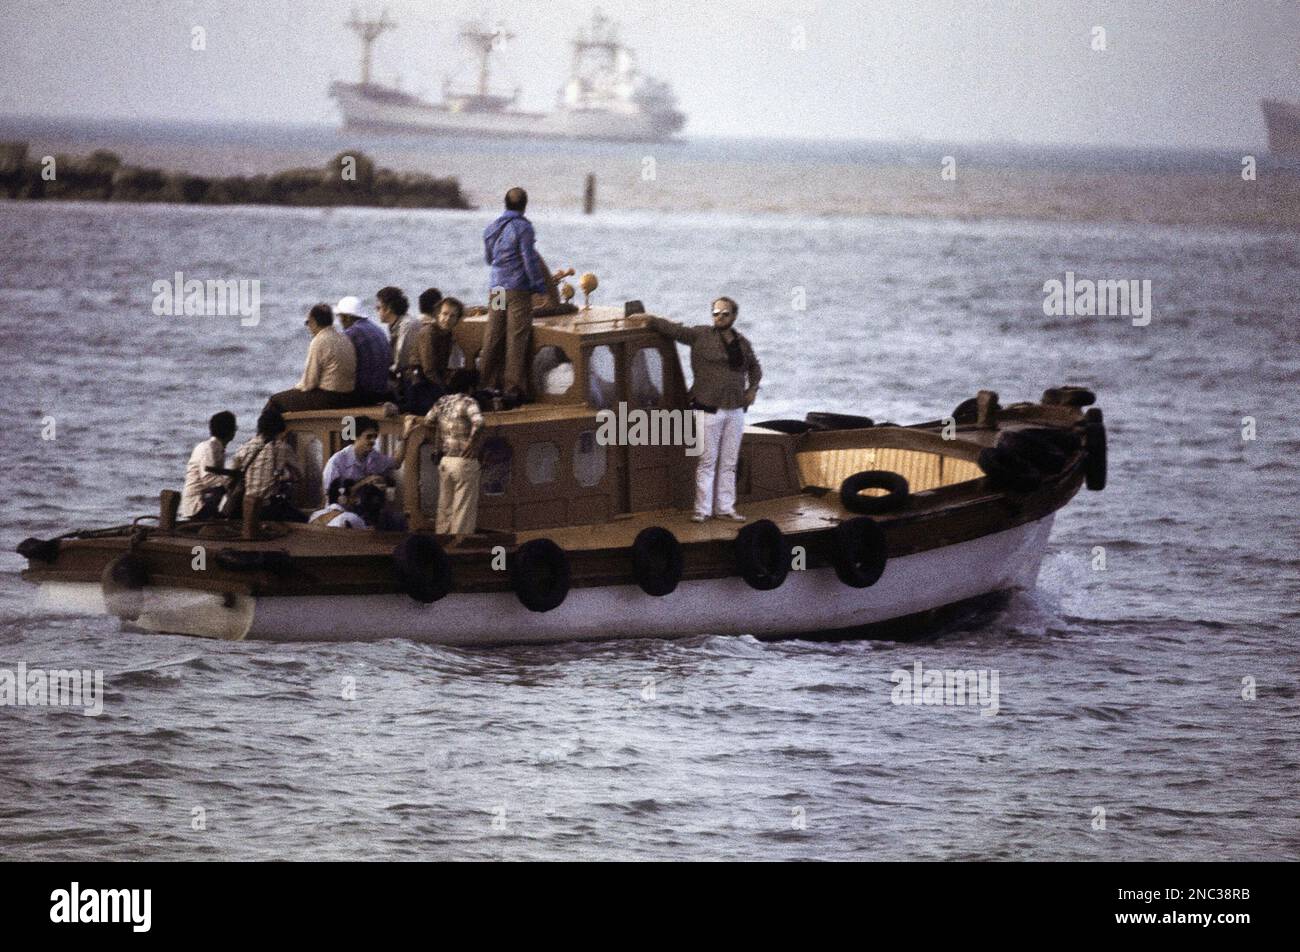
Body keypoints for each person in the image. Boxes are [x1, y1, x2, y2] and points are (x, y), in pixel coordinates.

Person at [645, 297, 762, 523]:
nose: (719, 317)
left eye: (724, 314)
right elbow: (673, 330)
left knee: (729, 462)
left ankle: (725, 508)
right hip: (707, 408)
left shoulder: (742, 343)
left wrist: (753, 389)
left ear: (734, 316)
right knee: (707, 461)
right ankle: (702, 510)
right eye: (715, 313)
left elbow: (755, 367)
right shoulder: (700, 335)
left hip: (736, 408)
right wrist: (649, 319)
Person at [481, 187, 547, 400]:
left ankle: (485, 383)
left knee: (494, 333)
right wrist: (539, 286)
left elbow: (489, 258)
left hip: (497, 288)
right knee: (516, 337)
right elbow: (529, 259)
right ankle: (512, 388)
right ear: (525, 204)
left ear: (505, 203)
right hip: (517, 290)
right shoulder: (523, 228)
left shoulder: (493, 228)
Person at [417, 368, 484, 543]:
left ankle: (441, 540)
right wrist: (472, 442)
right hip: (464, 460)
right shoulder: (469, 402)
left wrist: (436, 444)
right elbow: (479, 422)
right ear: (470, 387)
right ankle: (458, 544)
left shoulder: (441, 402)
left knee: (444, 506)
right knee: (463, 507)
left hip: (445, 460)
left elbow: (427, 422)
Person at [266, 303, 357, 413]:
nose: (308, 327)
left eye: (307, 323)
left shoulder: (319, 340)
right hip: (348, 396)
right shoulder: (344, 338)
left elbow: (309, 383)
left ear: (313, 322)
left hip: (330, 398)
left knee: (275, 401)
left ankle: (267, 430)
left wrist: (294, 390)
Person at [226, 407, 305, 521]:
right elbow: (300, 475)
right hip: (267, 508)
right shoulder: (282, 447)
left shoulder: (244, 447)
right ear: (279, 429)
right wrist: (285, 477)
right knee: (304, 520)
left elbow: (229, 478)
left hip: (245, 507)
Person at [335, 295, 392, 404]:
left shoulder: (351, 334)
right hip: (382, 391)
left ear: (347, 317)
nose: (340, 321)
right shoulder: (377, 329)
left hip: (363, 395)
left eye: (340, 317)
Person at [180, 410, 237, 518]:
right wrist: (229, 481)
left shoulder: (217, 448)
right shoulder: (208, 448)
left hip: (204, 500)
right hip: (197, 505)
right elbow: (208, 479)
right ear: (230, 431)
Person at [320, 415, 396, 494]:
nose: (373, 441)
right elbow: (331, 495)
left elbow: (396, 463)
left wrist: (404, 437)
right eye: (369, 437)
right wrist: (365, 482)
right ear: (355, 437)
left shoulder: (373, 455)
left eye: (375, 437)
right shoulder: (337, 461)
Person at [417, 295, 464, 390]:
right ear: (438, 314)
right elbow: (429, 370)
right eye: (445, 314)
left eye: (452, 316)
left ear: (457, 319)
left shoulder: (447, 334)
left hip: (435, 380)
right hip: (420, 381)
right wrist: (445, 391)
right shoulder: (429, 333)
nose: (447, 319)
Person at [377, 285, 418, 381]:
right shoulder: (395, 324)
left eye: (378, 308)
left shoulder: (407, 325)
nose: (377, 311)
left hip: (413, 378)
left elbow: (401, 360)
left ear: (388, 309)